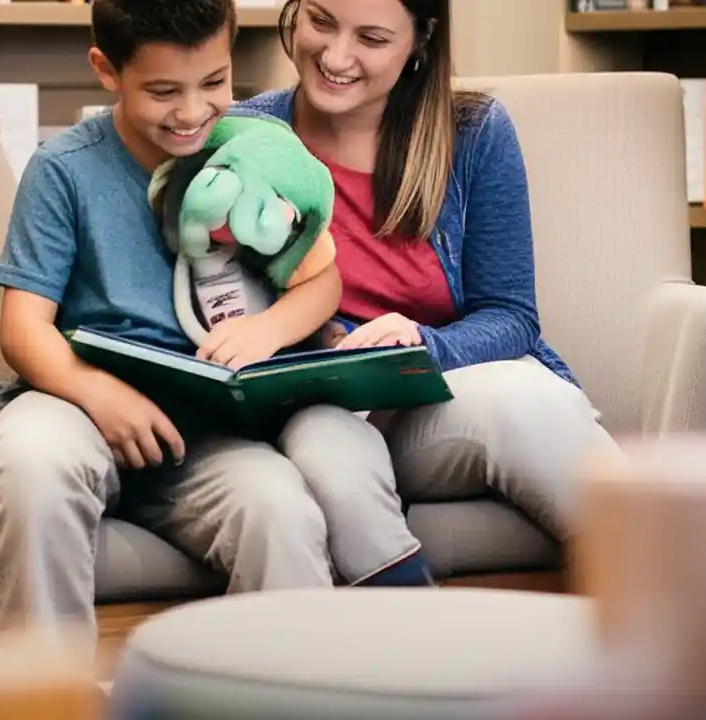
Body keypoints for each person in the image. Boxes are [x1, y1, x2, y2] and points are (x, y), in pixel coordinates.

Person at [0, 0, 427, 646]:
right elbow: (22, 330)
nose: (192, 113)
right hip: (77, 402)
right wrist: (100, 396)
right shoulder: (64, 171)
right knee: (29, 465)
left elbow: (321, 281)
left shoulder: (252, 152)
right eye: (164, 91)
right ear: (107, 70)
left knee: (280, 507)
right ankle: (45, 699)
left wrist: (267, 330)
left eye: (214, 83)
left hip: (204, 439)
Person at [239, 0, 621, 549]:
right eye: (320, 22)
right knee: (519, 401)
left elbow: (512, 317)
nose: (336, 55)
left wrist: (421, 343)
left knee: (529, 399)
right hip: (324, 419)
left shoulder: (472, 133)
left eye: (371, 38)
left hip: (438, 402)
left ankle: (683, 596)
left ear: (421, 39)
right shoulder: (245, 139)